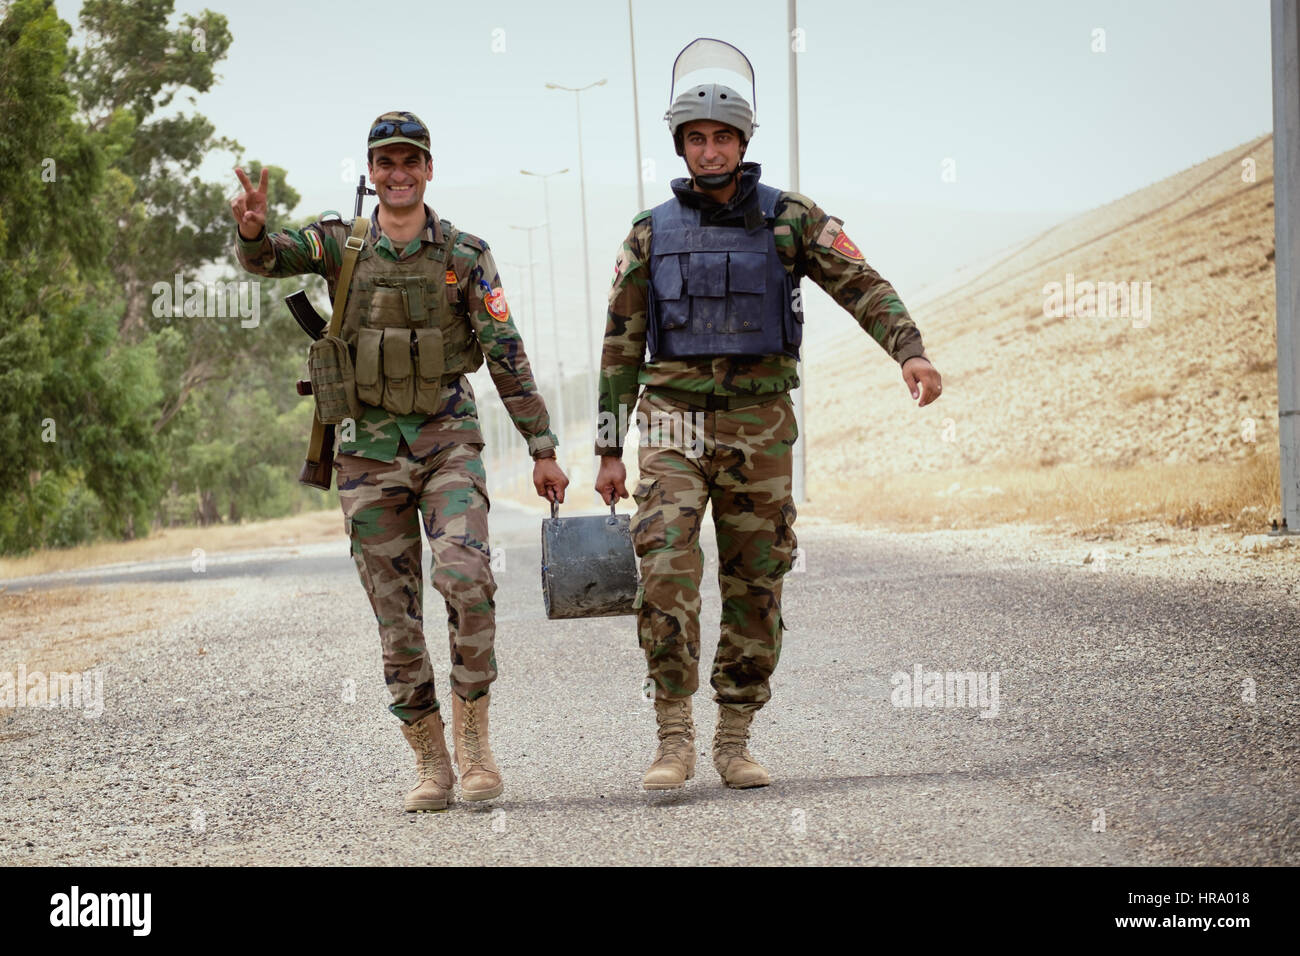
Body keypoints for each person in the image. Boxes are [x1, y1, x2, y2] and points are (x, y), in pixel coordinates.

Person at [594, 50, 943, 791]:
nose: (710, 149)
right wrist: (608, 446)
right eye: (696, 138)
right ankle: (673, 735)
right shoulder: (649, 232)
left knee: (758, 581)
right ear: (681, 145)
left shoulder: (792, 220)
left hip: (759, 425)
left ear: (743, 142)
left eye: (723, 136)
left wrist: (907, 351)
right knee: (664, 570)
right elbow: (620, 338)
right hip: (673, 424)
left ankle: (734, 735)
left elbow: (860, 283)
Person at [231, 111, 569, 812]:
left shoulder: (466, 254)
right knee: (395, 615)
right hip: (366, 453)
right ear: (372, 170)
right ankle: (430, 761)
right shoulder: (340, 244)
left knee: (467, 577)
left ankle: (474, 737)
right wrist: (253, 229)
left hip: (449, 440)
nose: (398, 173)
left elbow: (506, 353)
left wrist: (541, 447)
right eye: (385, 162)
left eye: (410, 160)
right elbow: (265, 260)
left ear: (429, 169)